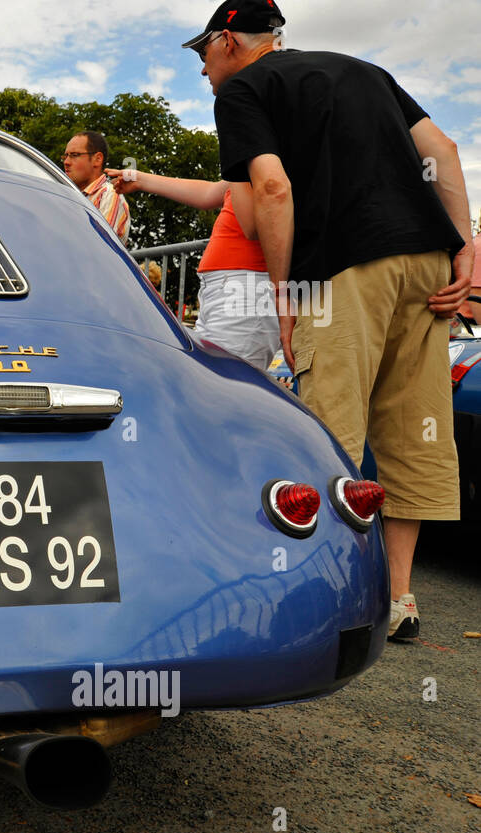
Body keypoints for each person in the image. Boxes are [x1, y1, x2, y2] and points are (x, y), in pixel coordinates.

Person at [190, 0, 472, 641]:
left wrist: (287, 295)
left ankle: (329, 594)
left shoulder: (243, 93)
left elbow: (273, 189)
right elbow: (445, 152)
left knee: (330, 437)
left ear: (227, 41)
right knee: (412, 431)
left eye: (202, 54)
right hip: (425, 263)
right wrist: (463, 247)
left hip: (347, 268)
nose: (203, 70)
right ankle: (399, 598)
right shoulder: (365, 69)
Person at [106, 168, 278, 369]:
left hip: (243, 292)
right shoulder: (252, 163)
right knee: (217, 383)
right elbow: (209, 193)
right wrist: (140, 180)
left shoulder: (261, 156)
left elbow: (252, 224)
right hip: (232, 291)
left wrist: (238, 152)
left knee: (224, 387)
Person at [60, 130, 130, 244]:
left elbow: (99, 245)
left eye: (74, 155)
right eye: (65, 156)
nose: (66, 162)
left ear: (97, 159)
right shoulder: (68, 196)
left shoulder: (109, 195)